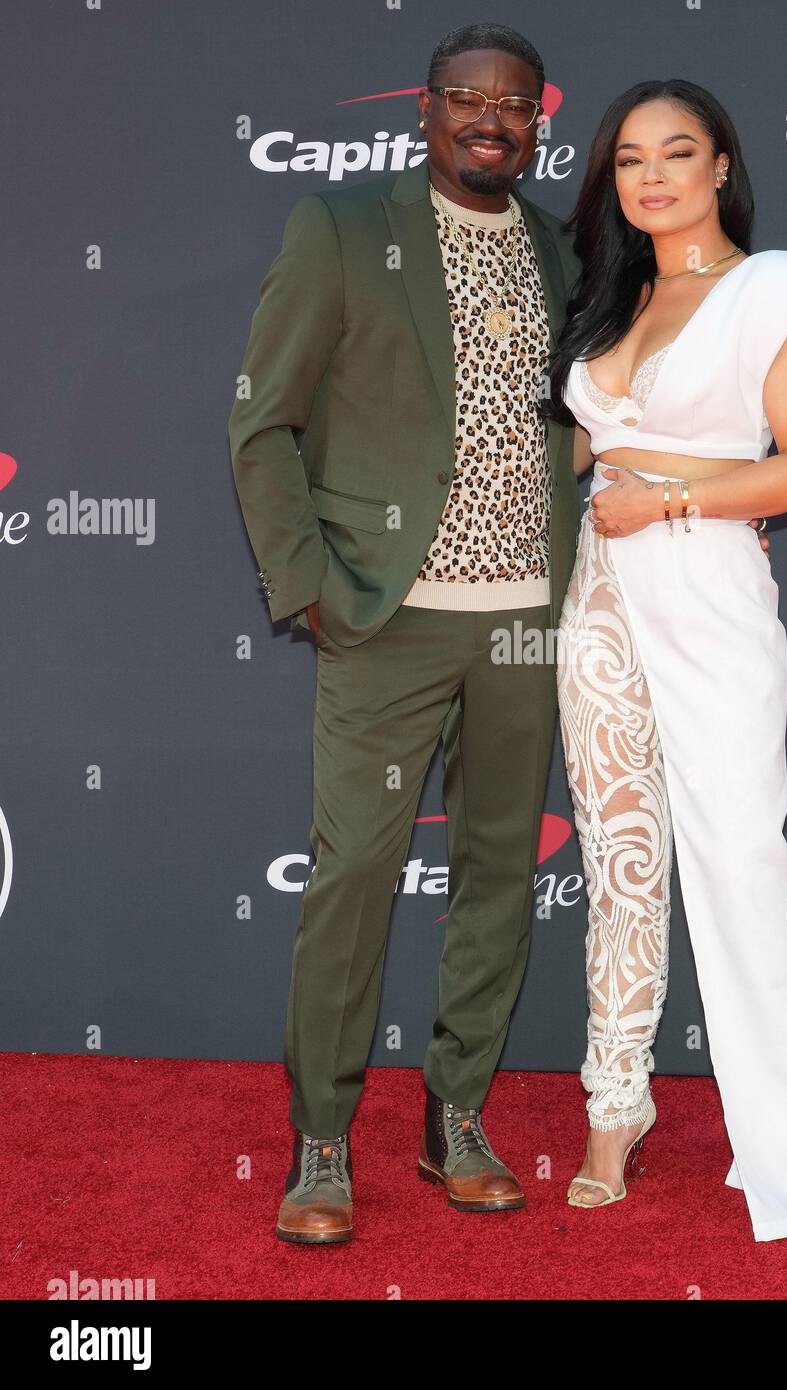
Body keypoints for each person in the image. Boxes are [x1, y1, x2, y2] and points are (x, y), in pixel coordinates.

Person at [228, 23, 585, 1244]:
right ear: (425, 108)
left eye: (515, 104)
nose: (492, 118)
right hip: (385, 616)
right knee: (357, 875)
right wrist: (306, 582)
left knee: (499, 874)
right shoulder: (339, 231)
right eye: (468, 99)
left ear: (540, 118)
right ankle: (320, 1138)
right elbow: (260, 424)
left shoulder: (558, 249)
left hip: (525, 624)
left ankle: (456, 1121)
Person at [545, 79, 787, 1241]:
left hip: (707, 587)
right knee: (621, 858)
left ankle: (784, 1145)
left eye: (676, 152)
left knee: (738, 864)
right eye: (628, 157)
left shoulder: (770, 292)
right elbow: (585, 447)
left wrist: (670, 499)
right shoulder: (612, 298)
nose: (651, 175)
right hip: (599, 600)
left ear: (721, 164)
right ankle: (612, 1107)